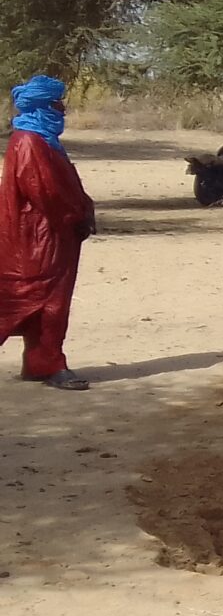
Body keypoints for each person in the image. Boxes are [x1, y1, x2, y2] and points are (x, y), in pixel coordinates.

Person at [1, 76, 94, 391]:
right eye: (57, 103)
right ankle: (50, 364)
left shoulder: (43, 139)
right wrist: (75, 216)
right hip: (40, 236)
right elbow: (45, 192)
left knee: (47, 300)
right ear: (43, 104)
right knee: (41, 299)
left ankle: (42, 361)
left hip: (52, 235)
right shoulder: (30, 142)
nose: (62, 109)